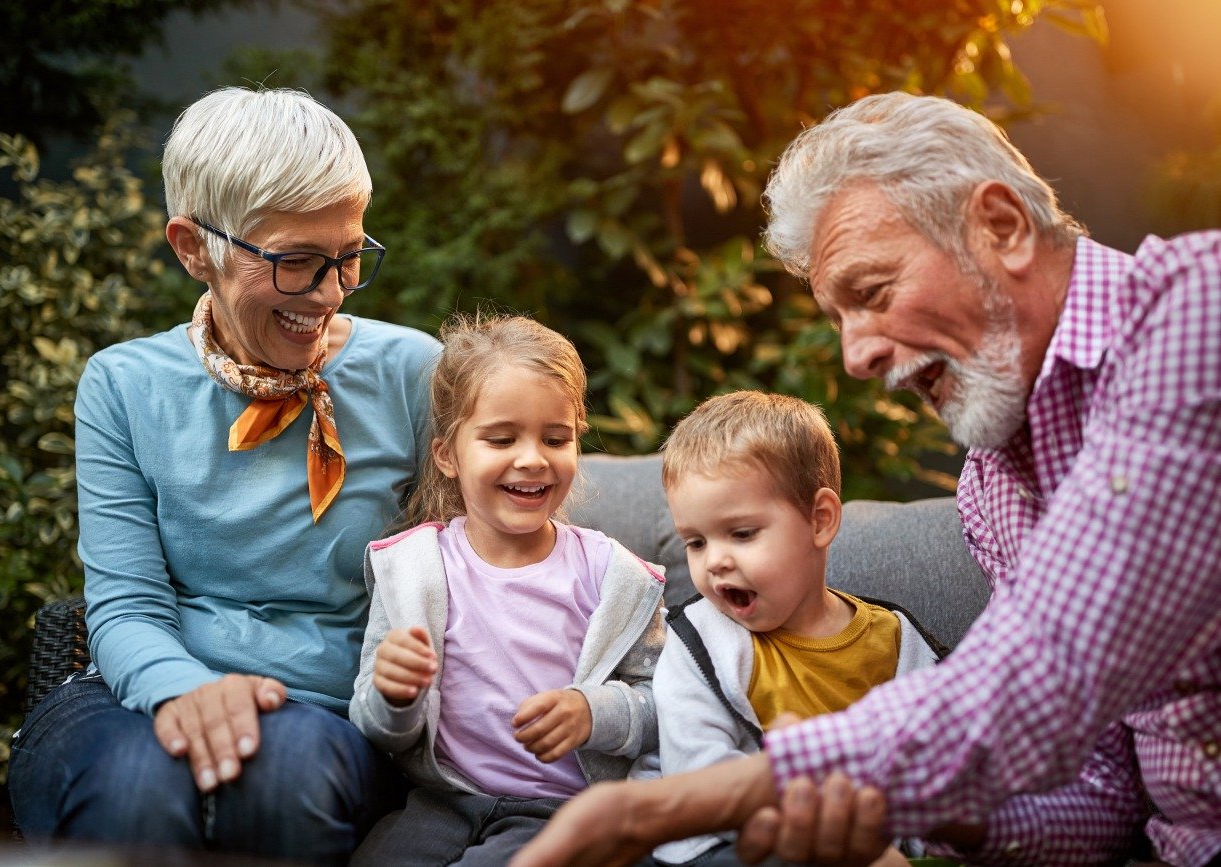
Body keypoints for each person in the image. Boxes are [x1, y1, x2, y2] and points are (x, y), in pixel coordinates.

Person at [513, 91, 1221, 867]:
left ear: (1002, 227)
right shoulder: (992, 485)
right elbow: (1107, 792)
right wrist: (938, 814)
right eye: (838, 318)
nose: (857, 358)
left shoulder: (1194, 310)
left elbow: (1046, 669)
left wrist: (676, 802)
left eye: (873, 294)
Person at [8, 87, 441, 863]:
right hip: (130, 692)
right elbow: (127, 605)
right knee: (134, 786)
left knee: (286, 774)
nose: (330, 292)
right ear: (192, 246)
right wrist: (188, 689)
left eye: (348, 257)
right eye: (296, 262)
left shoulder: (413, 374)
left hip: (330, 710)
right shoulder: (123, 386)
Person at [347, 313, 667, 866]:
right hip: (441, 800)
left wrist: (594, 711)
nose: (531, 458)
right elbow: (378, 728)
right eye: (500, 438)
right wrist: (395, 695)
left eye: (555, 437)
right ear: (447, 454)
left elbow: (665, 705)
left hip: (560, 811)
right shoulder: (412, 569)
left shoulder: (612, 576)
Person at [648, 390, 941, 867]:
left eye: (742, 534)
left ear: (820, 520)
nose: (715, 561)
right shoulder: (699, 641)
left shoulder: (895, 640)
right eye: (696, 542)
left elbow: (940, 761)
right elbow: (699, 780)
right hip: (727, 841)